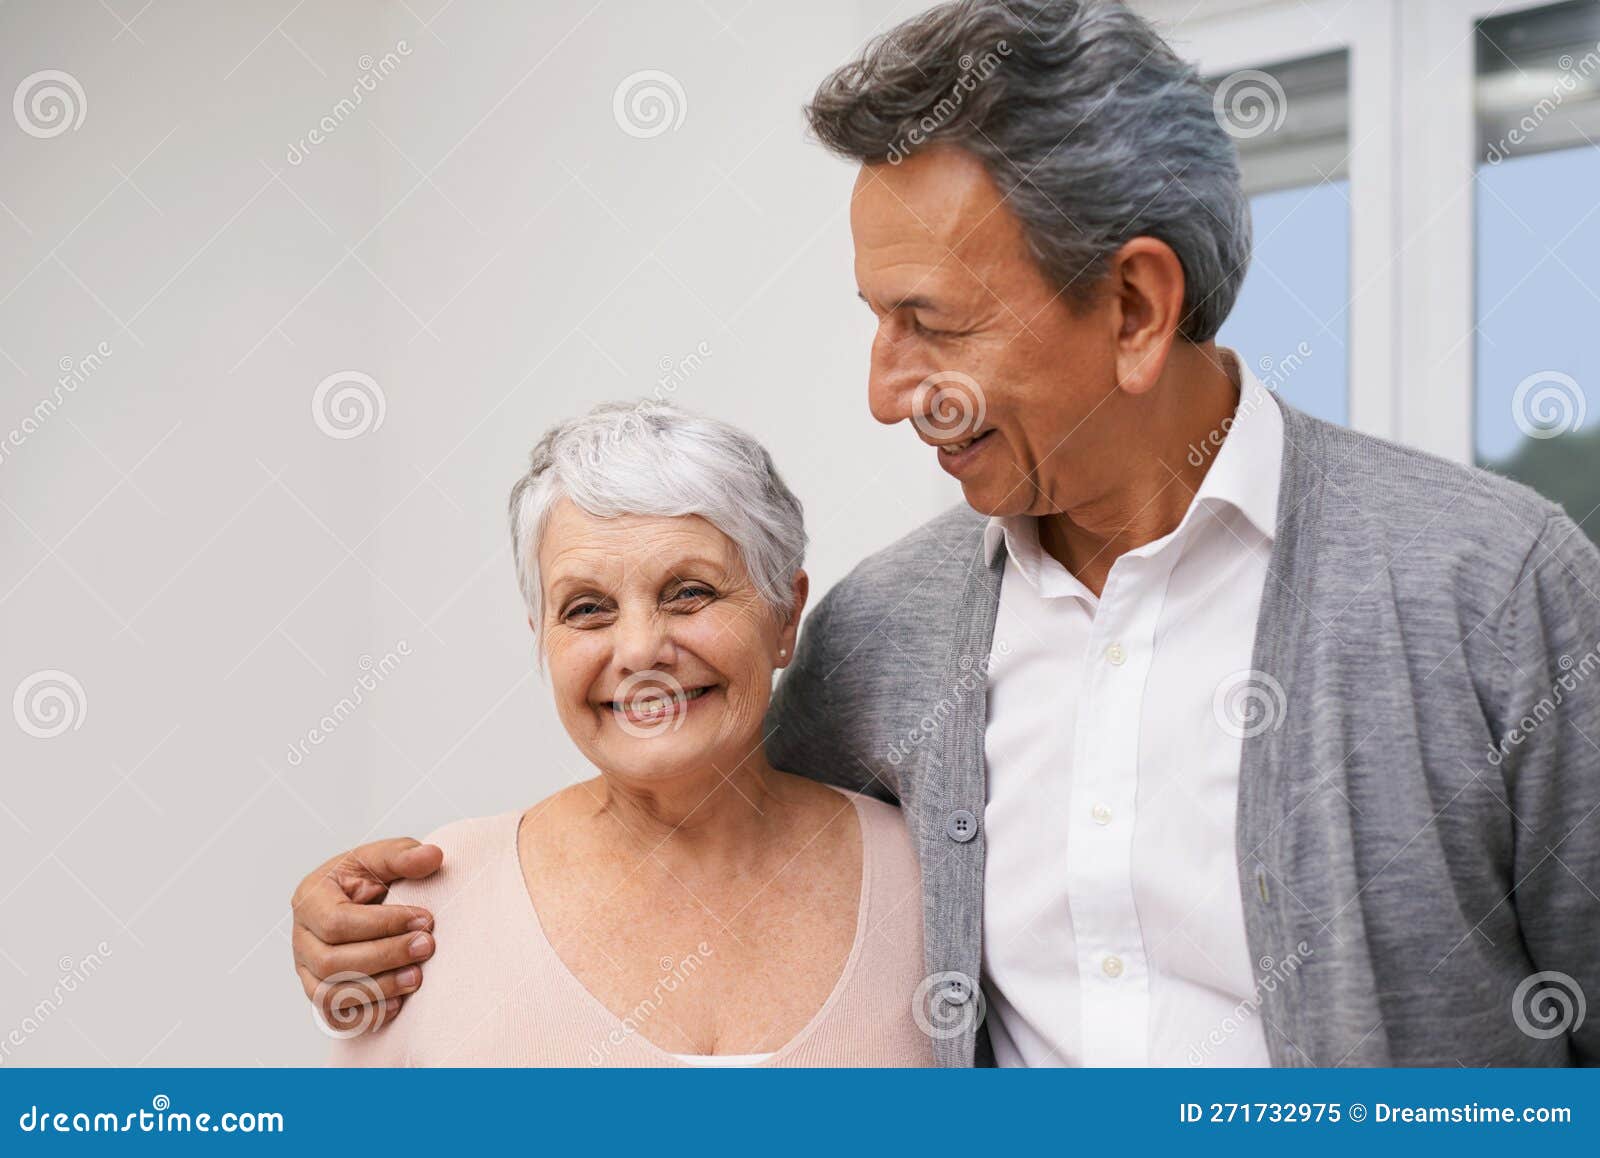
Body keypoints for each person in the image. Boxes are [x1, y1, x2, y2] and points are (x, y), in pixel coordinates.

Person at [293, 0, 1600, 1067]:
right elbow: (718, 831)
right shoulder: (882, 634)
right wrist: (399, 914)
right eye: (877, 319)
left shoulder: (1493, 589)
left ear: (1135, 308)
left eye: (932, 324)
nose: (884, 391)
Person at [320, 402, 933, 1066]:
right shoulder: (432, 906)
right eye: (588, 609)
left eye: (689, 593)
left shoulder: (933, 873)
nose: (640, 651)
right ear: (543, 638)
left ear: (785, 617)